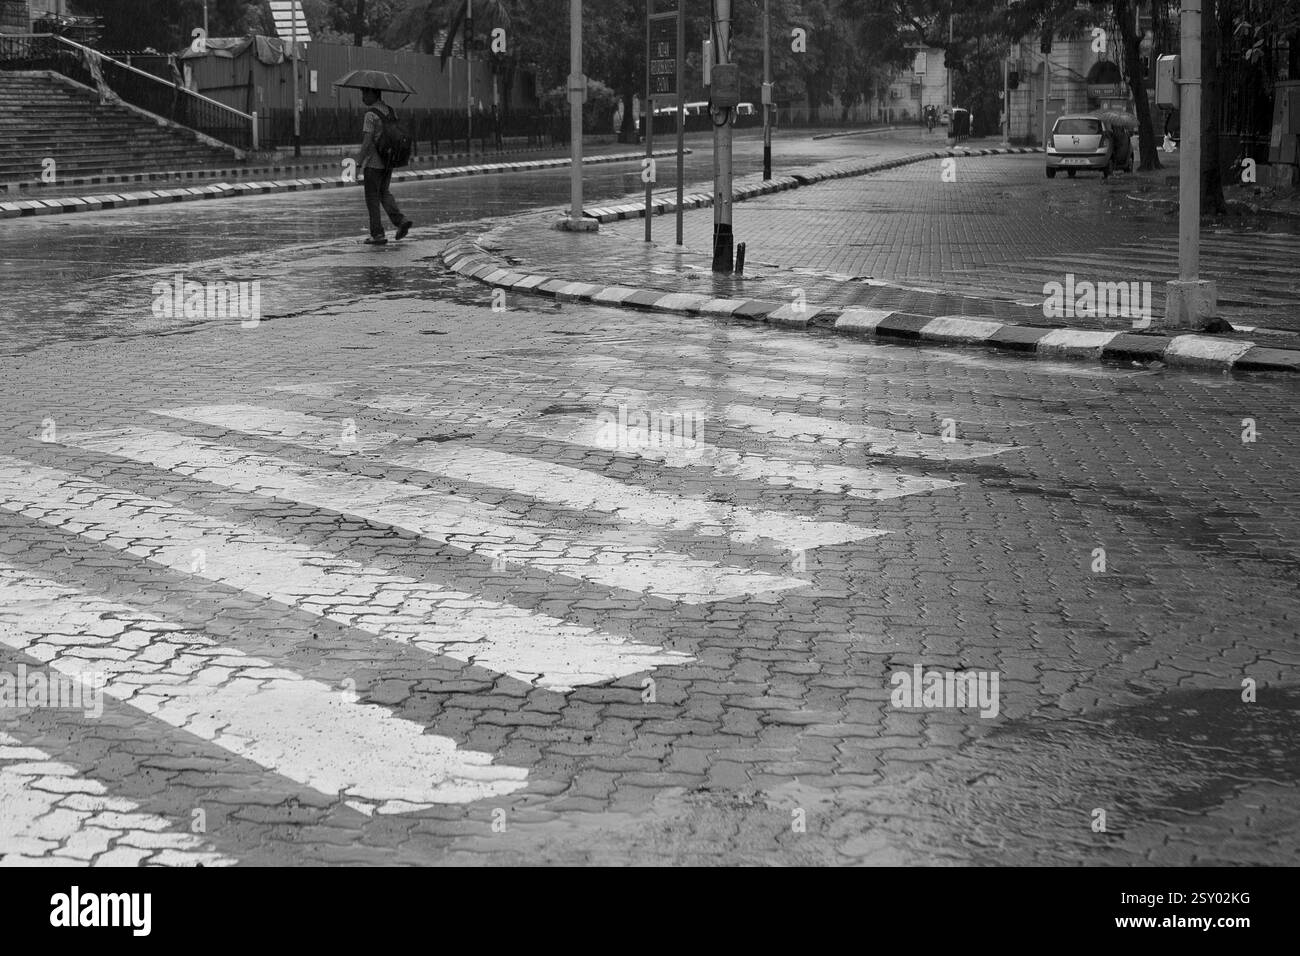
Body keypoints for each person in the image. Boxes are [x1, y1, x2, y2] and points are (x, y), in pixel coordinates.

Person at [354, 87, 412, 245]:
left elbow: (367, 141)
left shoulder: (370, 114)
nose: (363, 97)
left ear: (373, 94)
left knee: (372, 198)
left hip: (373, 163)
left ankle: (377, 234)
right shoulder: (391, 111)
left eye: (365, 93)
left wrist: (358, 162)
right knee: (384, 193)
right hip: (388, 161)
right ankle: (401, 221)